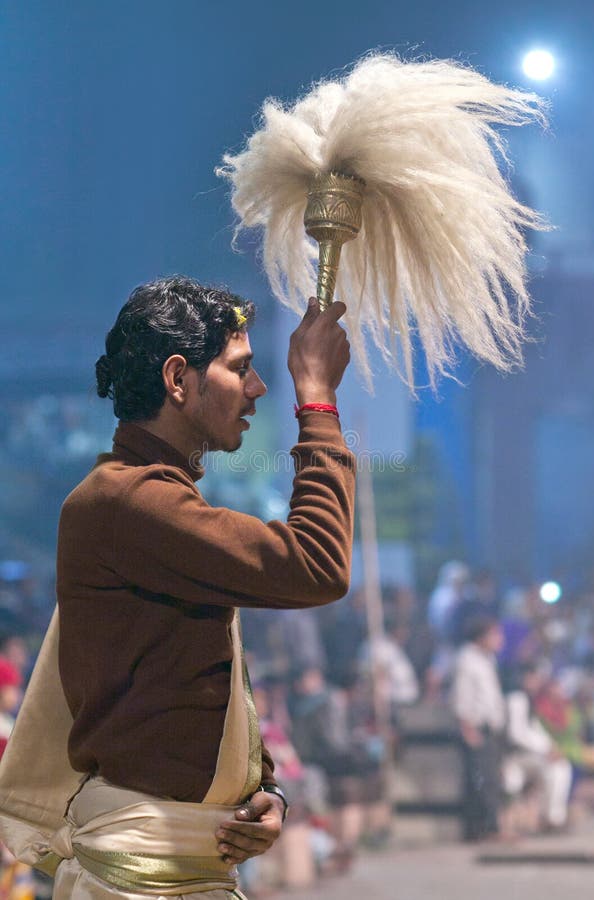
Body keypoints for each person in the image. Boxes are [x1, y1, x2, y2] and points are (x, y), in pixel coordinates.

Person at [0, 276, 355, 899]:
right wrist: (318, 397)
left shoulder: (150, 501)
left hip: (184, 866)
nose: (258, 388)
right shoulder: (127, 502)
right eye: (239, 368)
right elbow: (317, 563)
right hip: (142, 877)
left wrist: (261, 794)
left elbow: (192, 678)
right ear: (178, 379)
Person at [451, 615, 506, 841]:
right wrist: (467, 727)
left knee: (490, 779)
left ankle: (489, 827)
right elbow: (462, 696)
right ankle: (485, 829)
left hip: (489, 728)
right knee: (481, 780)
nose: (499, 640)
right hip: (475, 728)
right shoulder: (467, 659)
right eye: (495, 634)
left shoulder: (486, 659)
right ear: (482, 636)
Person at [503, 664, 572, 831]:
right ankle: (551, 819)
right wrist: (545, 750)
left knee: (559, 767)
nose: (537, 682)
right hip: (513, 757)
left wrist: (552, 748)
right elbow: (517, 734)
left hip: (529, 757)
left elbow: (535, 729)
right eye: (534, 678)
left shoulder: (528, 699)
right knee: (557, 768)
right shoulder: (515, 698)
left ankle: (552, 819)